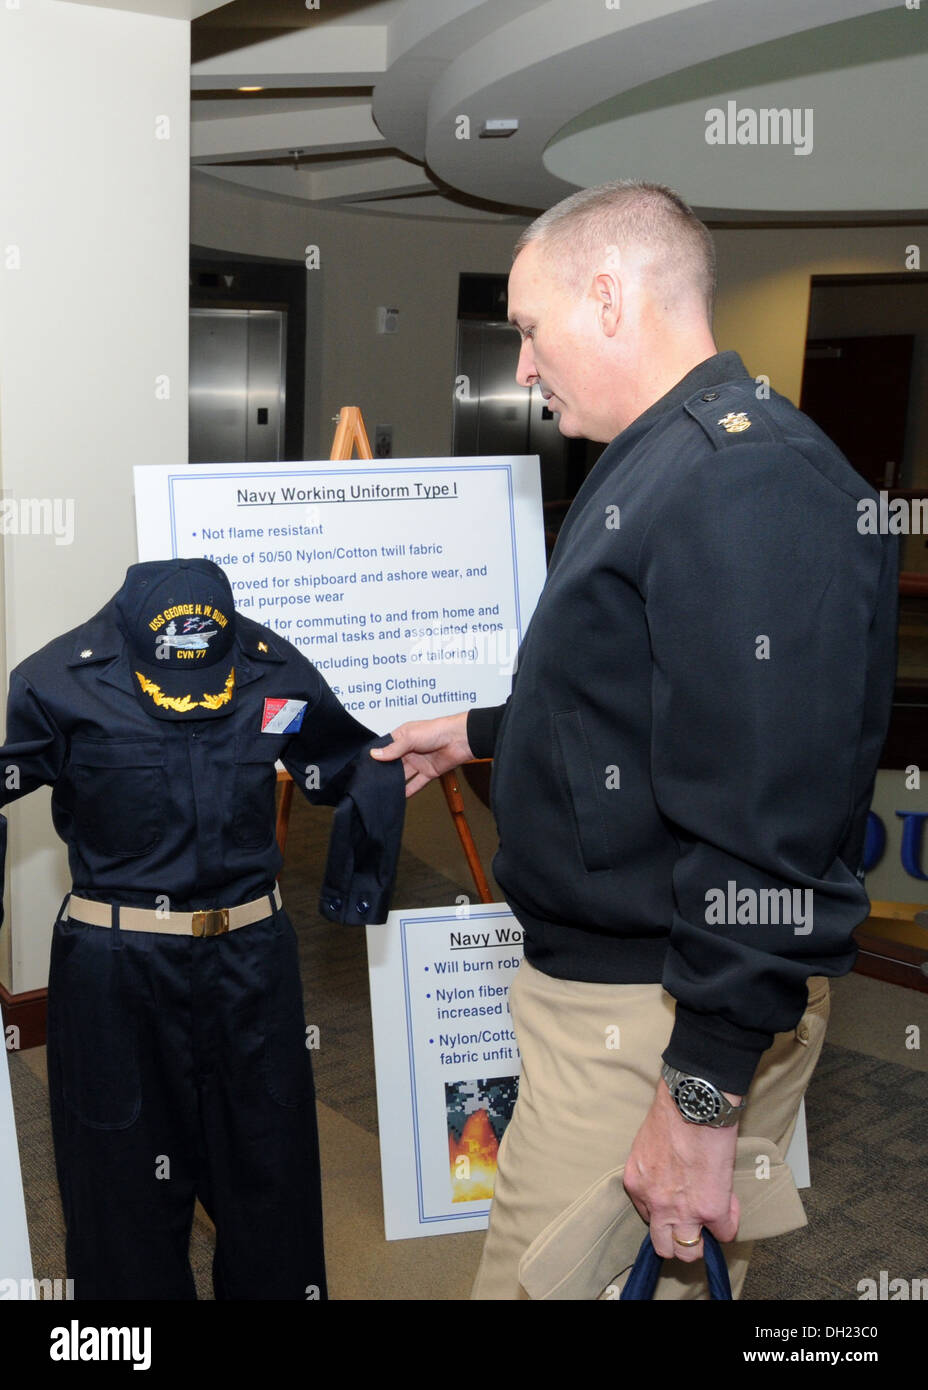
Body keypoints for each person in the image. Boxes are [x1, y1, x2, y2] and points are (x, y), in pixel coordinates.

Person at [371, 181, 899, 1299]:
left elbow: (765, 824)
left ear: (607, 295)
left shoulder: (741, 480)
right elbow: (644, 709)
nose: (519, 366)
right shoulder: (671, 455)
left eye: (526, 327)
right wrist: (471, 732)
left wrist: (698, 1096)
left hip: (648, 1021)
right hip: (637, 1005)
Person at [0, 557, 405, 1300]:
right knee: (119, 1191)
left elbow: (360, 764)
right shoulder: (55, 680)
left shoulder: (270, 670)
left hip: (251, 965)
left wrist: (356, 895)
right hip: (113, 974)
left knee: (269, 1175)